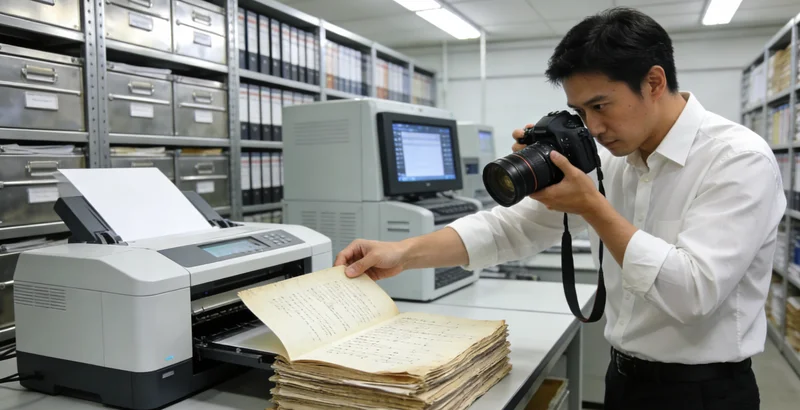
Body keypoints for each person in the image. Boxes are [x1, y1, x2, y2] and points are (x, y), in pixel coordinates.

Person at [334, 6, 785, 410]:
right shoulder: (613, 157)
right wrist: (403, 252)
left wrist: (592, 206)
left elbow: (694, 292)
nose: (594, 127)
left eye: (600, 105)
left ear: (653, 81)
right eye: (579, 111)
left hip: (704, 393)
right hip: (624, 379)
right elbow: (509, 229)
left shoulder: (737, 159)